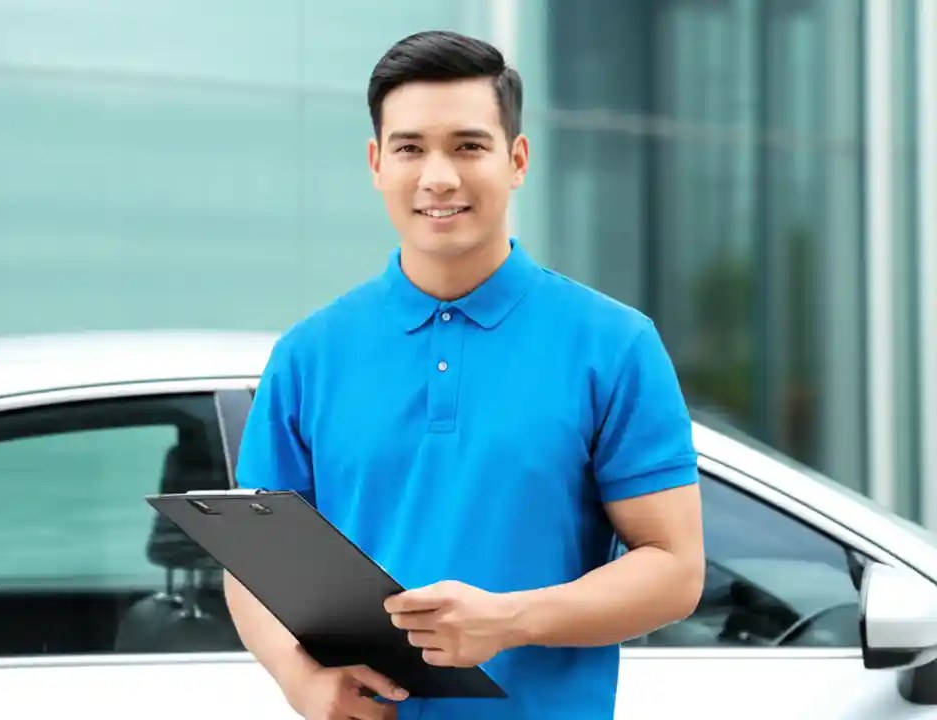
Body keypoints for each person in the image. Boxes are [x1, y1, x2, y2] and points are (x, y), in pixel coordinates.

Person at [224, 29, 705, 720]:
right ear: (376, 163)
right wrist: (299, 678)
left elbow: (675, 569)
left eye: (468, 146)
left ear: (516, 160)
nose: (438, 176)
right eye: (410, 148)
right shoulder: (309, 353)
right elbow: (254, 565)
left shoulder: (614, 344)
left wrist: (512, 619)